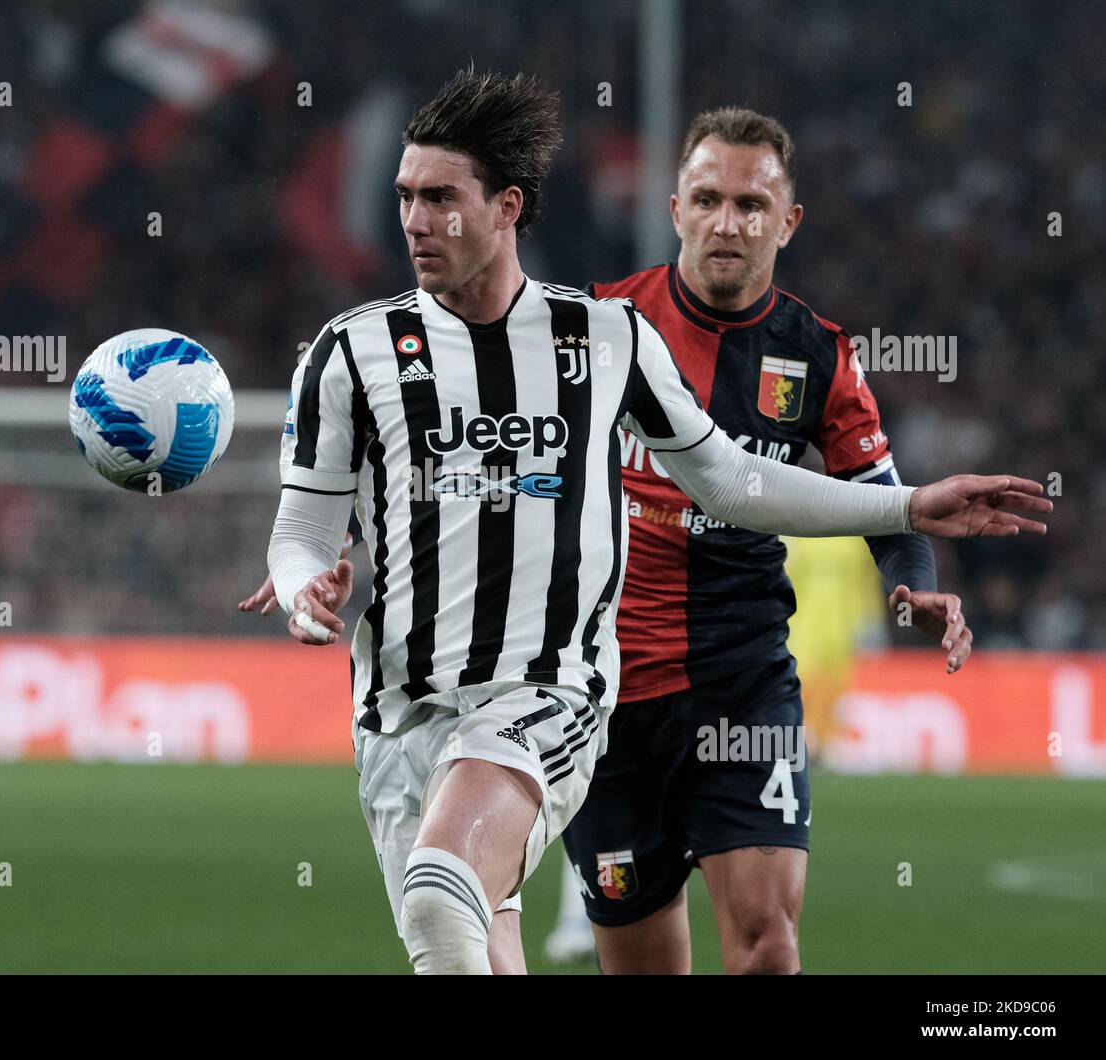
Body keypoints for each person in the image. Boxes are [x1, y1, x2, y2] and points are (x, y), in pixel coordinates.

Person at [259, 73, 1049, 975]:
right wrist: (302, 585)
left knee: (721, 937)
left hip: (582, 688)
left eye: (440, 197)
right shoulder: (350, 351)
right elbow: (303, 532)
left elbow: (731, 482)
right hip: (408, 710)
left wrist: (908, 515)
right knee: (477, 944)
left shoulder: (605, 340)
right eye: (405, 197)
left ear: (506, 207)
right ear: (677, 209)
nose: (413, 220)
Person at [553, 107, 982, 974]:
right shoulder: (597, 328)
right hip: (607, 694)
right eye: (707, 199)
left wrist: (913, 579)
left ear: (787, 223)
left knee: (769, 949)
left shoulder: (818, 354)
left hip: (742, 684)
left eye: (751, 205)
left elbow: (883, 497)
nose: (726, 222)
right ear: (674, 207)